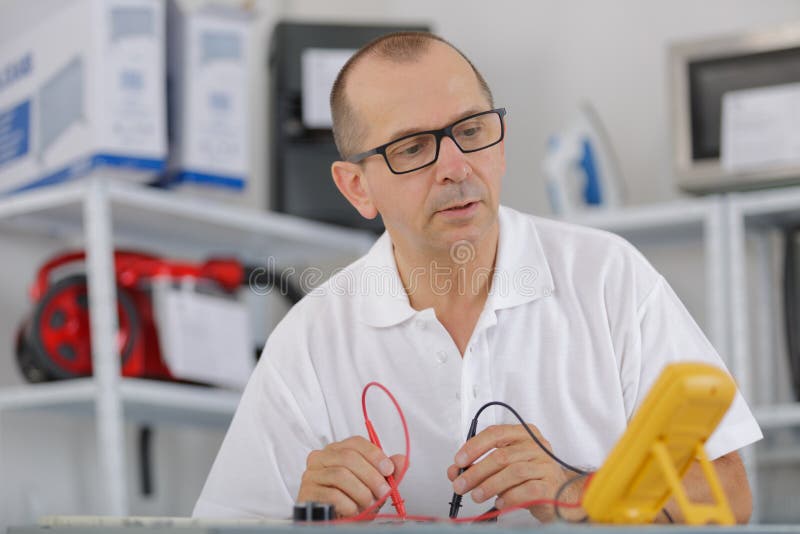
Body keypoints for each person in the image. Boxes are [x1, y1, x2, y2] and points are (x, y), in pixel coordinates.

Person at [193, 32, 761, 524]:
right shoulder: (312, 339)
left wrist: (575, 491)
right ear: (356, 188)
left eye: (470, 130)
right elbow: (225, 524)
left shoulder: (609, 278)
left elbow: (730, 497)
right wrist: (307, 518)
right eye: (412, 148)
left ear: (501, 140)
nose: (456, 167)